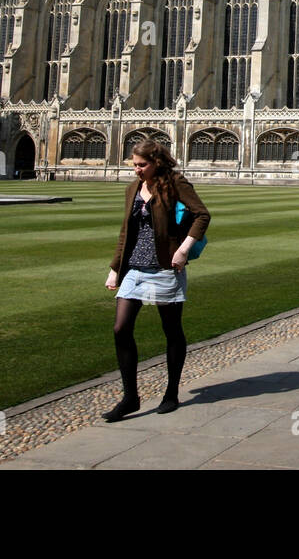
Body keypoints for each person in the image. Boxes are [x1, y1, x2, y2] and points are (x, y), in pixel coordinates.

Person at [104, 139, 210, 421]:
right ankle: (130, 397)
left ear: (156, 162)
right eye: (134, 165)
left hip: (165, 266)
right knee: (121, 328)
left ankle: (171, 393)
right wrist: (115, 268)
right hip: (134, 268)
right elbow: (127, 231)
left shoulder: (175, 183)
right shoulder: (133, 188)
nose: (136, 169)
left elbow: (202, 215)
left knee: (171, 330)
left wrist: (183, 250)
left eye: (142, 165)